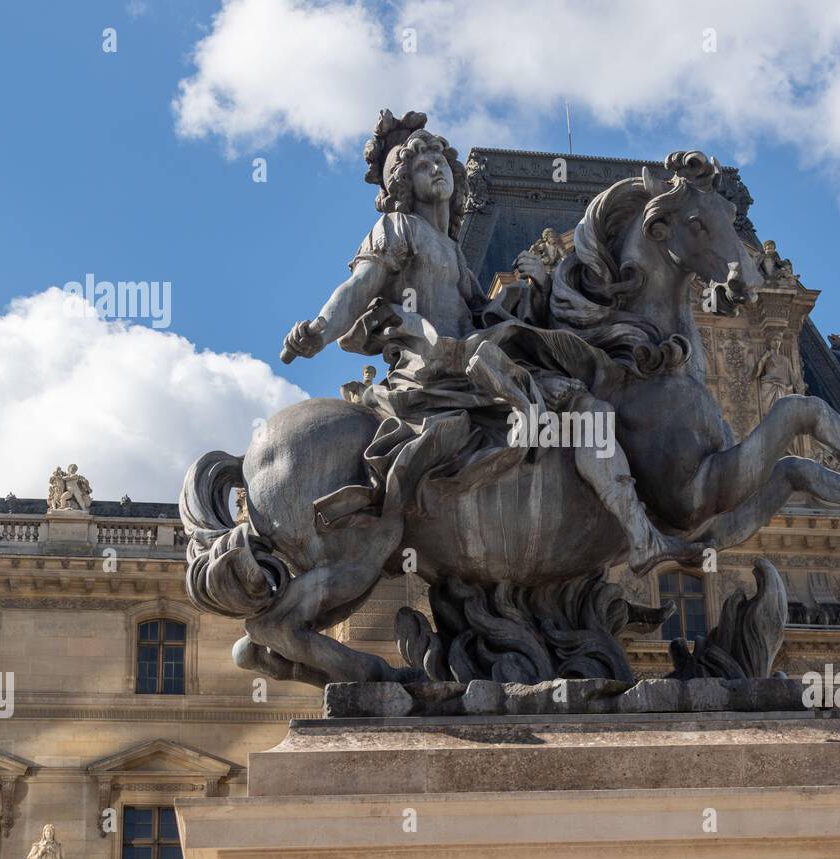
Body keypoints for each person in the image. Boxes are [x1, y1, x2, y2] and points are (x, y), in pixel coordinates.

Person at [281, 110, 698, 574]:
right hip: (434, 366)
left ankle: (636, 537)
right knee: (579, 411)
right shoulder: (398, 230)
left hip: (474, 360)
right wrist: (319, 328)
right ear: (402, 183)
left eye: (441, 161)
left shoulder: (454, 253)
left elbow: (483, 313)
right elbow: (358, 288)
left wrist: (537, 285)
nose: (436, 169)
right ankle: (637, 538)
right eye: (422, 165)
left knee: (590, 409)